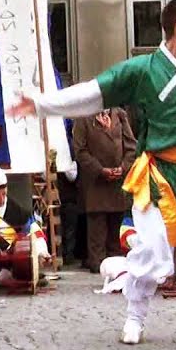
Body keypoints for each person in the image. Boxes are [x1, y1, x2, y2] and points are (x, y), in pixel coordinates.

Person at [8, 0, 176, 345]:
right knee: (151, 248)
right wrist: (42, 104)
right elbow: (94, 92)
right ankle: (135, 316)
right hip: (159, 176)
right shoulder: (143, 70)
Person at [71, 108, 136, 272]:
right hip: (95, 182)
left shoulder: (120, 115)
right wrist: (100, 170)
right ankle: (97, 263)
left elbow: (131, 146)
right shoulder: (84, 118)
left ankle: (116, 264)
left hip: (118, 182)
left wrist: (123, 167)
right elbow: (80, 150)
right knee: (97, 227)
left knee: (116, 224)